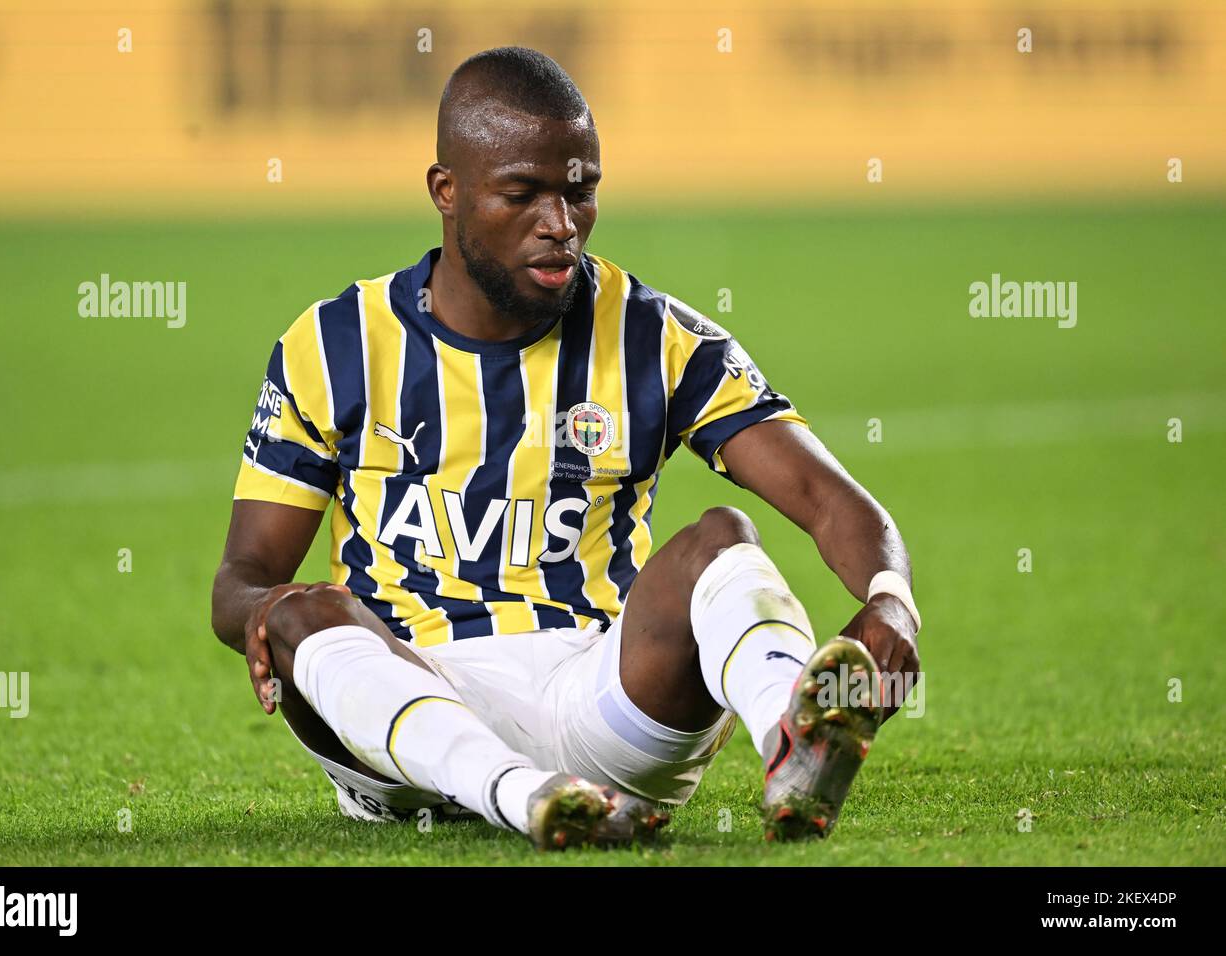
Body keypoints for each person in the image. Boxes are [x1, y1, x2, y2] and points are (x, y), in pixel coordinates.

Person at [211, 47, 921, 850]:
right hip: (402, 713)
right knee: (309, 612)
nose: (560, 224)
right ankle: (524, 796)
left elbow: (827, 496)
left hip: (600, 696)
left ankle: (797, 739)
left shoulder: (657, 337)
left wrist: (891, 597)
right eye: (523, 194)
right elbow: (241, 582)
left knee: (723, 539)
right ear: (447, 192)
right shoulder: (334, 345)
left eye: (580, 192)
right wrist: (262, 615)